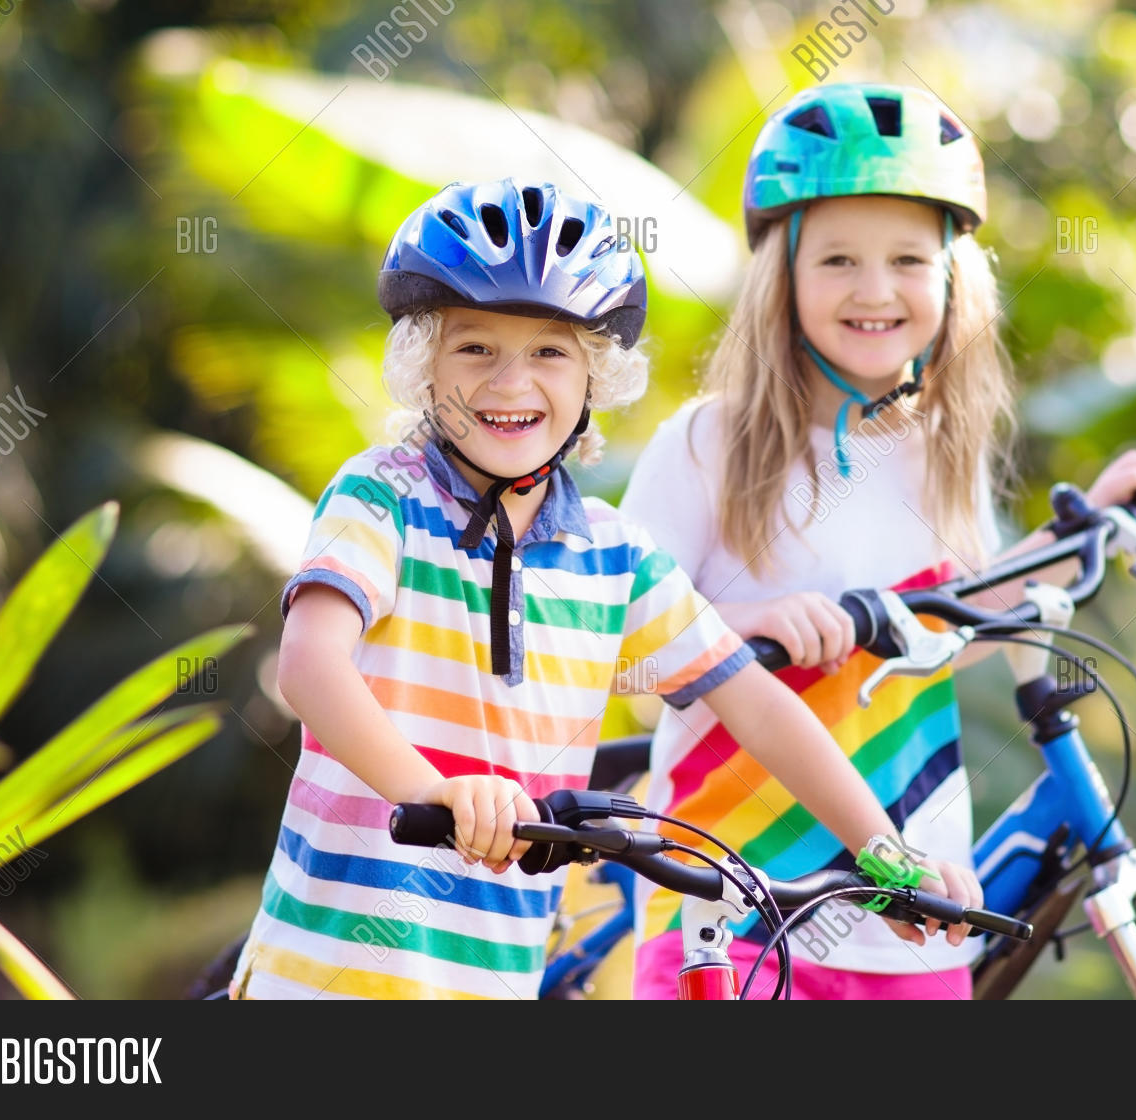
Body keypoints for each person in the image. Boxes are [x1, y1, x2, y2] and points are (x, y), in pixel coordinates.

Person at [229, 177, 970, 1000]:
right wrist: (431, 788)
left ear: (597, 379)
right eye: (475, 348)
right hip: (323, 975)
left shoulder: (614, 556)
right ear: (422, 363)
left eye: (550, 352)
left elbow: (757, 704)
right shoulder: (380, 497)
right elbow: (311, 666)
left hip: (494, 982)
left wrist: (884, 851)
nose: (512, 384)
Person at [621, 83, 1136, 1000]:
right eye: (837, 258)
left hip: (911, 920)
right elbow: (611, 647)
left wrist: (1078, 528)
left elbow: (965, 623)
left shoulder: (938, 450)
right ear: (782, 275)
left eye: (908, 259)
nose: (875, 290)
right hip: (734, 910)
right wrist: (741, 620)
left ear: (954, 275)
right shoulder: (707, 444)